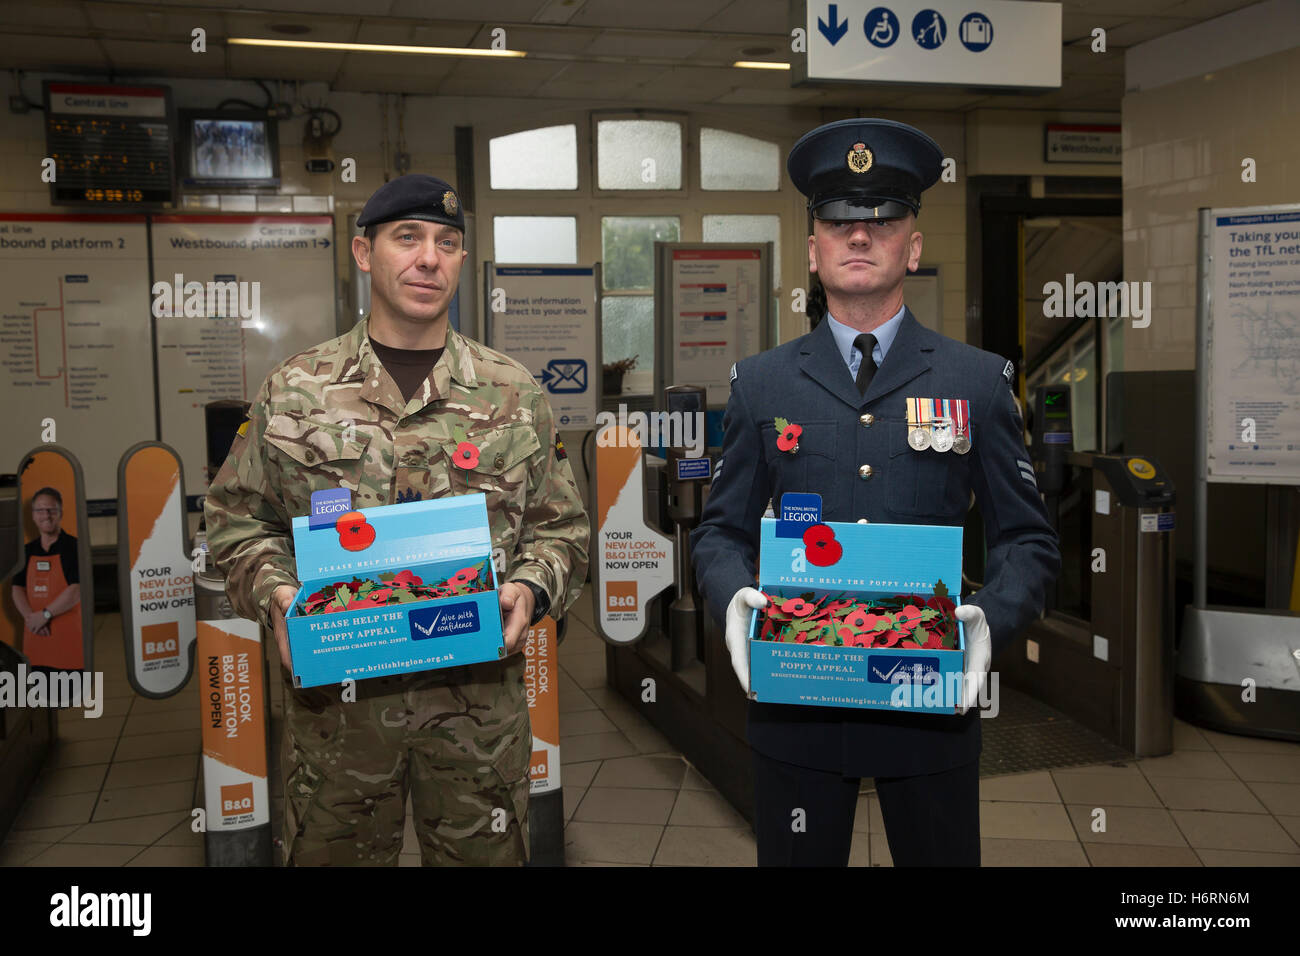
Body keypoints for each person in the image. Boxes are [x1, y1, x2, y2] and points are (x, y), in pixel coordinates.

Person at [690, 119, 1060, 867]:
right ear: (814, 248)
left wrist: (990, 616)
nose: (861, 237)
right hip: (798, 704)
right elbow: (720, 532)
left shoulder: (975, 382)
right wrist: (731, 595)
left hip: (926, 705)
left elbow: (1029, 540)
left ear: (913, 247)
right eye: (840, 222)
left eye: (884, 221)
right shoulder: (761, 384)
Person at [204, 173, 590, 866]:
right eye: (406, 238)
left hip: (477, 719)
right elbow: (236, 521)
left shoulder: (513, 394)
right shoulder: (295, 393)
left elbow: (562, 529)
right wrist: (278, 599)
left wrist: (531, 588)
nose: (428, 259)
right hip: (337, 724)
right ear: (363, 253)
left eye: (447, 242)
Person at [10, 487, 82, 669]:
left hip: (69, 641)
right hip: (36, 638)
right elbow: (17, 588)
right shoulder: (26, 551)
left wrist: (45, 615)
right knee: (39, 694)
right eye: (40, 510)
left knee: (74, 694)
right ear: (33, 515)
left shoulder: (75, 548)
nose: (46, 515)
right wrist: (31, 619)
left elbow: (76, 590)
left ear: (60, 513)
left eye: (52, 509)